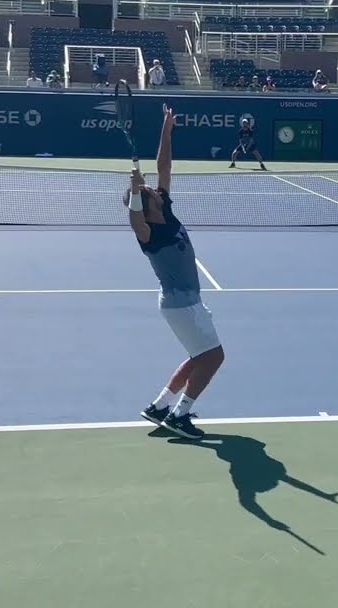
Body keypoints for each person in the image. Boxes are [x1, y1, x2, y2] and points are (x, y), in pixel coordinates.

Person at [131, 104, 225, 440]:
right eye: (152, 193)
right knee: (214, 358)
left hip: (186, 303)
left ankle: (159, 406)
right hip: (181, 305)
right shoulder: (150, 234)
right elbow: (134, 220)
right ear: (147, 204)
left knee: (198, 356)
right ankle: (179, 415)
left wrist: (166, 131)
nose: (159, 190)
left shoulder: (165, 209)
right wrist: (133, 193)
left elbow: (164, 167)